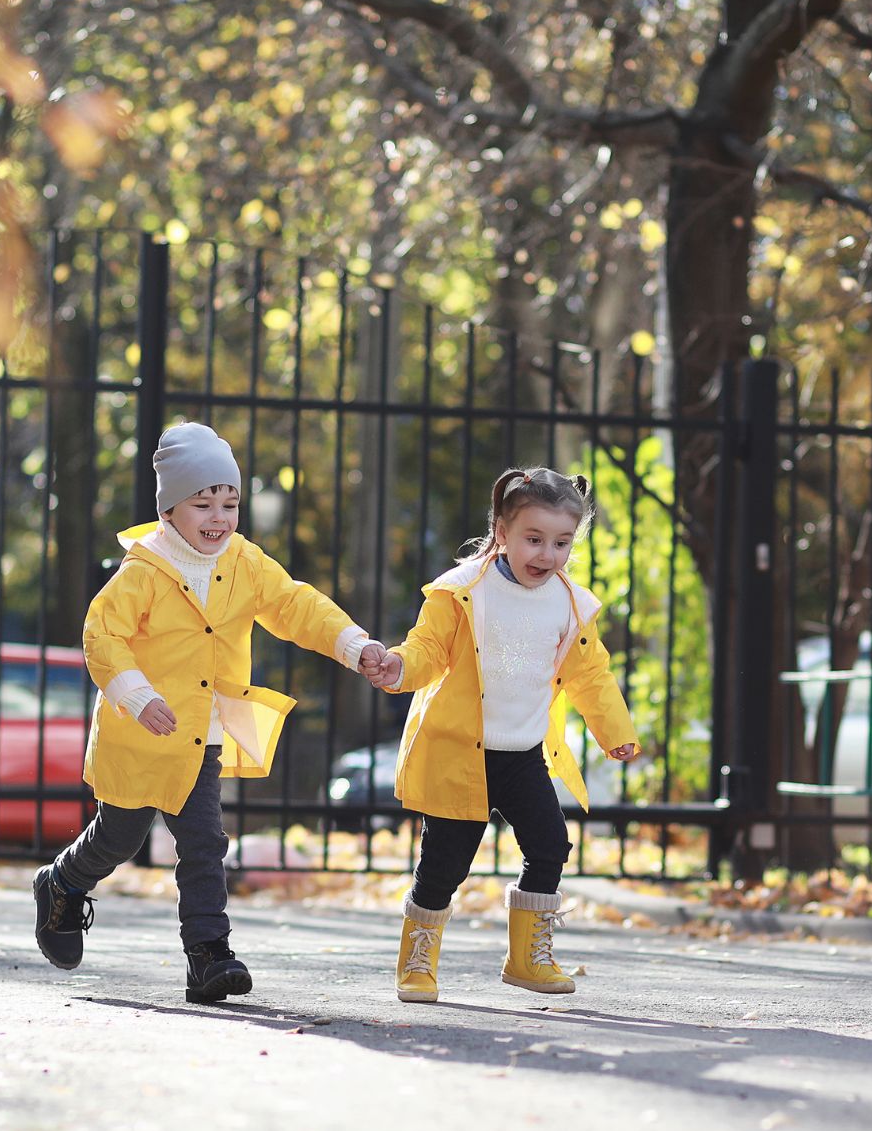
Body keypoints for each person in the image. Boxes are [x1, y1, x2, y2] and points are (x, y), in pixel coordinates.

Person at [34, 421, 385, 1003]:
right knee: (118, 838)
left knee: (203, 843)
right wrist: (137, 696)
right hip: (143, 731)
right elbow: (102, 636)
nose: (219, 516)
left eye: (230, 502)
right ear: (170, 510)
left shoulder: (243, 560)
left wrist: (355, 644)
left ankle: (208, 956)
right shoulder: (142, 572)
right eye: (203, 503)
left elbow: (295, 604)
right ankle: (63, 882)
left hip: (204, 732)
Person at [363, 466, 639, 1003]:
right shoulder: (463, 591)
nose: (546, 554)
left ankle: (527, 959)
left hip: (522, 755)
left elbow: (591, 674)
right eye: (533, 539)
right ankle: (417, 962)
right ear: (502, 532)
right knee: (445, 863)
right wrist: (399, 667)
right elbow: (427, 649)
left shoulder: (572, 604)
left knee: (551, 844)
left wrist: (614, 731)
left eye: (561, 543)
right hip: (458, 754)